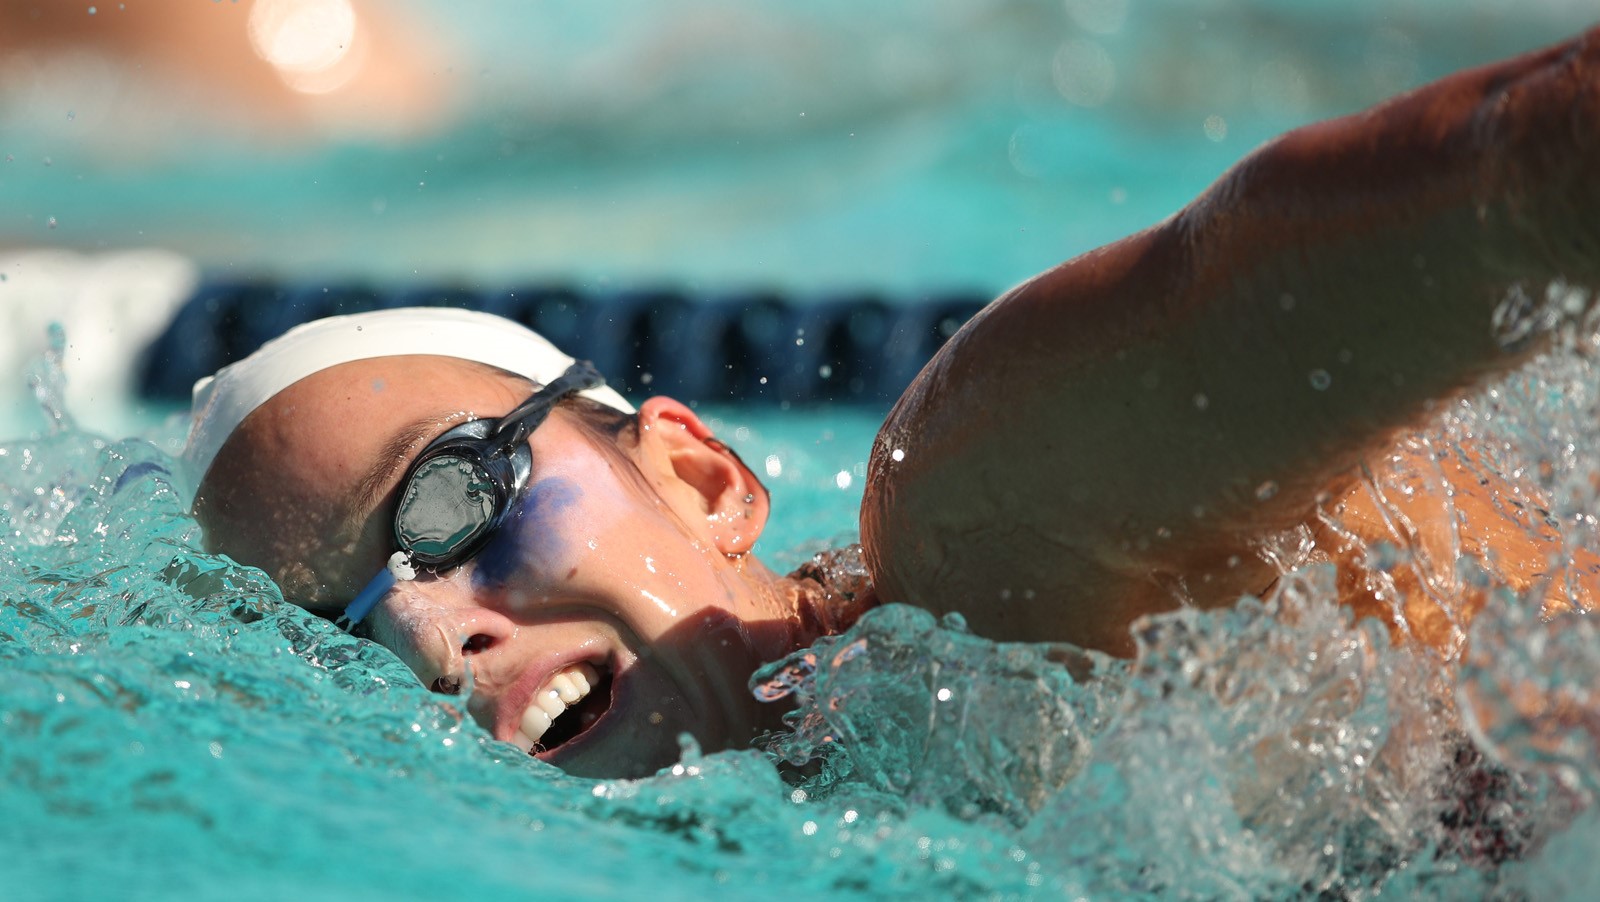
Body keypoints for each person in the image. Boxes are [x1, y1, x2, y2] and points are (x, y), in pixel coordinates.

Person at [187, 27, 1600, 778]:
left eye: (445, 501)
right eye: (338, 637)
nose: (430, 637)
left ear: (700, 475)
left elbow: (1516, 183)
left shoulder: (991, 511)